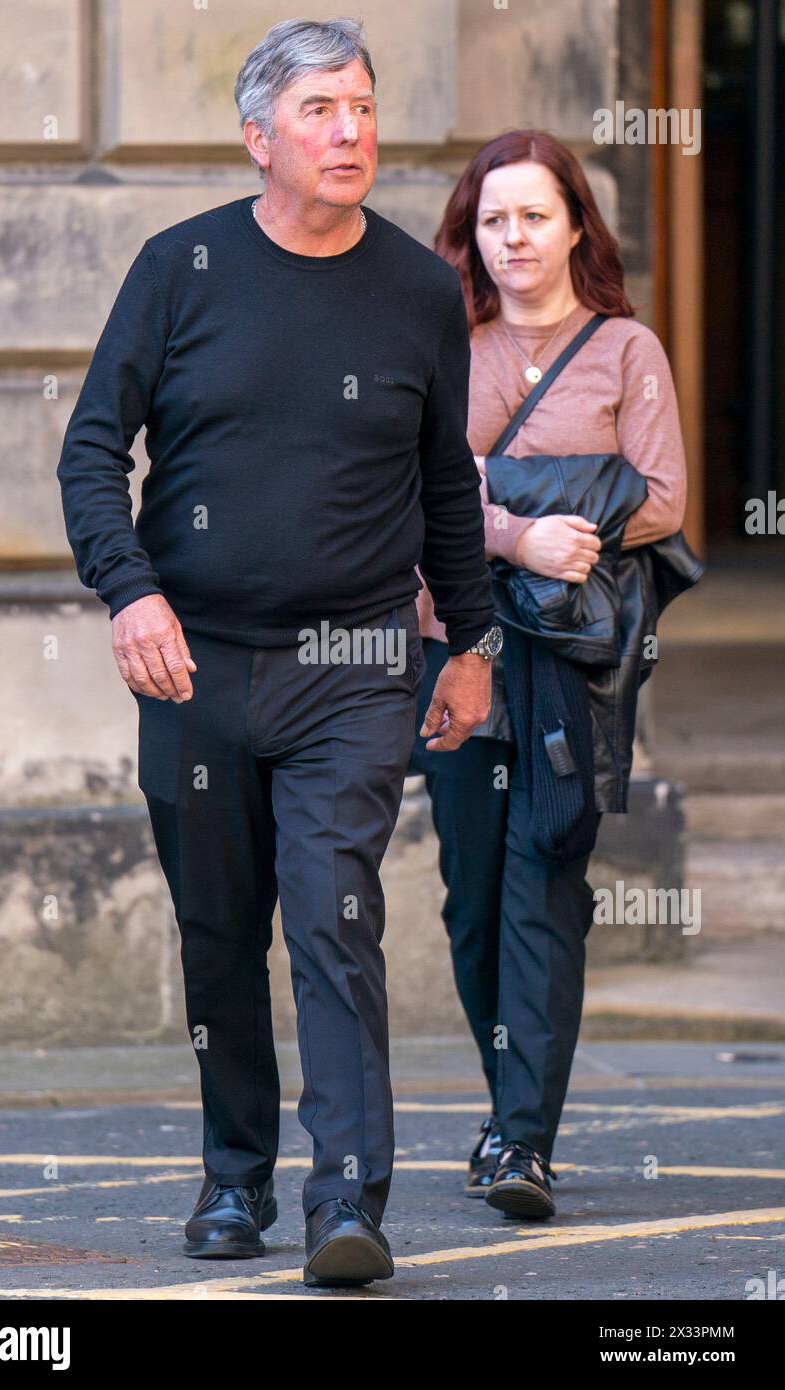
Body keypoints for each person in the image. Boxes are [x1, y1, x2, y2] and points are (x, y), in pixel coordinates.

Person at [56, 17, 500, 1287]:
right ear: (260, 137)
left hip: (354, 662)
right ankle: (233, 1174)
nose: (349, 129)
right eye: (319, 109)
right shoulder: (179, 267)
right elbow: (94, 449)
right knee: (217, 933)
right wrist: (128, 591)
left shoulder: (419, 288)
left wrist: (466, 642)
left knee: (333, 913)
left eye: (361, 105)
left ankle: (345, 1201)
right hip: (192, 665)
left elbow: (445, 492)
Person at [410, 129, 689, 1219]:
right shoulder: (445, 343)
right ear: (470, 235)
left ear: (575, 222)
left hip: (572, 658)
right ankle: (502, 1107)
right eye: (493, 219)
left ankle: (524, 1137)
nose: (513, 236)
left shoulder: (626, 351)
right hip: (461, 649)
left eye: (534, 214)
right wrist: (519, 531)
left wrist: (492, 489)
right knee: (473, 901)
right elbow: (403, 493)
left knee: (545, 883)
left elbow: (661, 499)